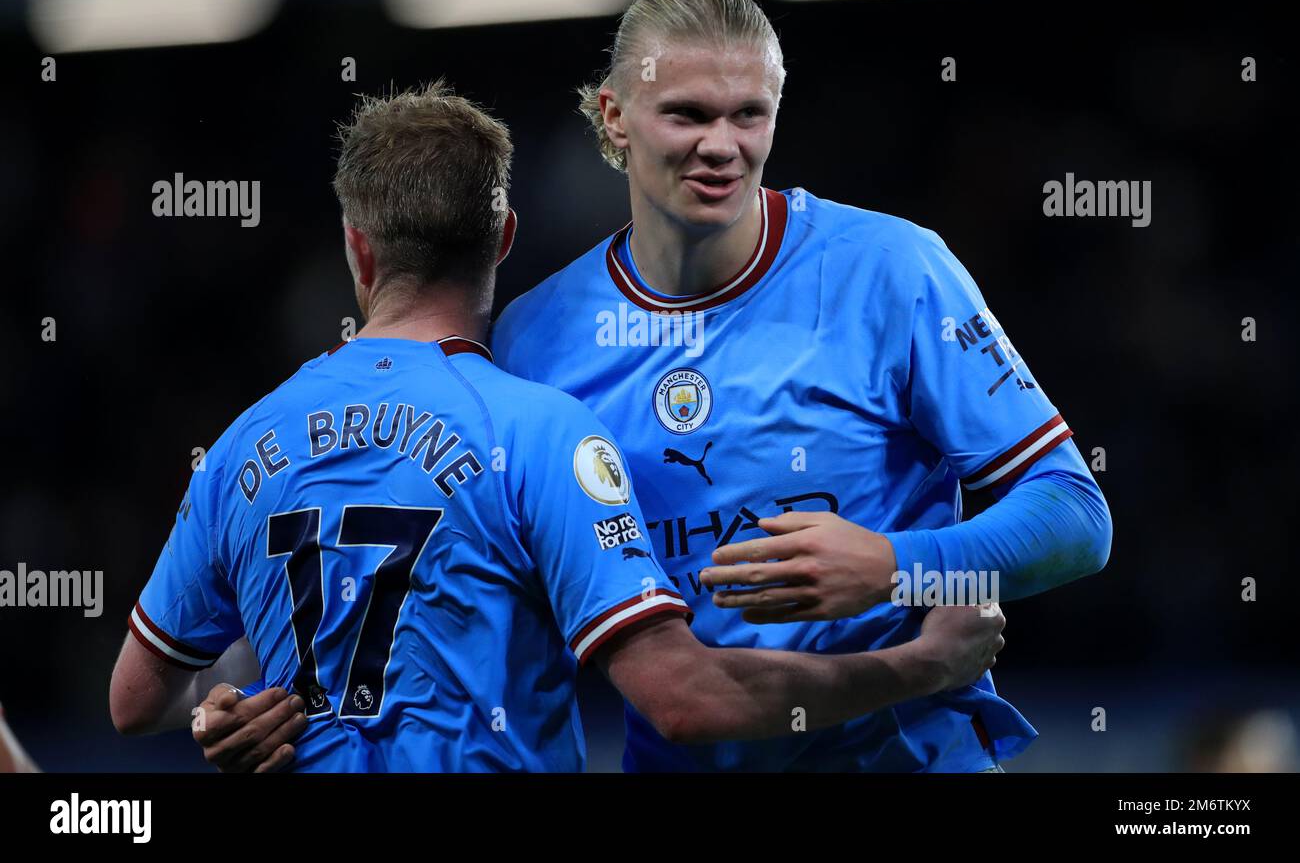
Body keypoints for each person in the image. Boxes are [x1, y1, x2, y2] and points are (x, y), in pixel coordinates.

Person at [109, 81, 1007, 771]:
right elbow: (686, 699)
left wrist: (222, 706)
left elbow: (136, 700)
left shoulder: (238, 448)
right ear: (503, 235)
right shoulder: (540, 431)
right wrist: (920, 665)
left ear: (358, 246)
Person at [489, 0, 1112, 772]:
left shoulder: (892, 269)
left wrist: (895, 568)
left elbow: (1074, 515)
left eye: (749, 113)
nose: (723, 145)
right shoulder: (536, 340)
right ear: (615, 115)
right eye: (687, 114)